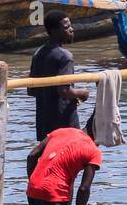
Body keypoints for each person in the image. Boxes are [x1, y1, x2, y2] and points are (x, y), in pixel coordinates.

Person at [29, 10, 88, 140]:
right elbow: (64, 90)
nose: (71, 29)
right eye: (66, 27)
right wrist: (83, 93)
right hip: (64, 124)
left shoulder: (38, 54)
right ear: (54, 31)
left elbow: (31, 90)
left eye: (70, 26)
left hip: (44, 124)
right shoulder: (65, 56)